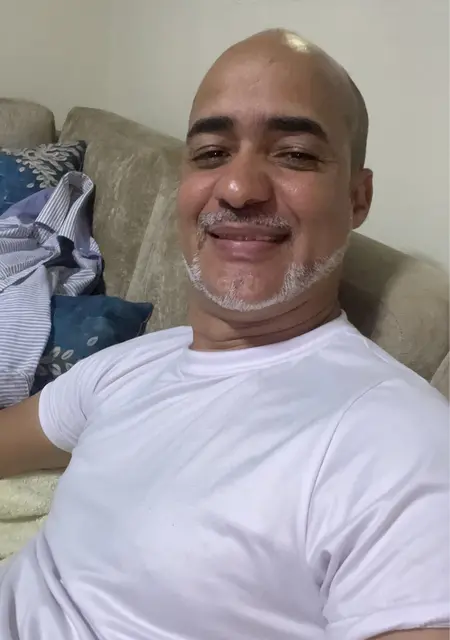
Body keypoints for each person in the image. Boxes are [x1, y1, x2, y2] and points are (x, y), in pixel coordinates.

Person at [0, 28, 448, 640]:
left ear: (356, 198)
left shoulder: (396, 442)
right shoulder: (133, 364)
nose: (238, 189)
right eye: (212, 153)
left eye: (294, 154)